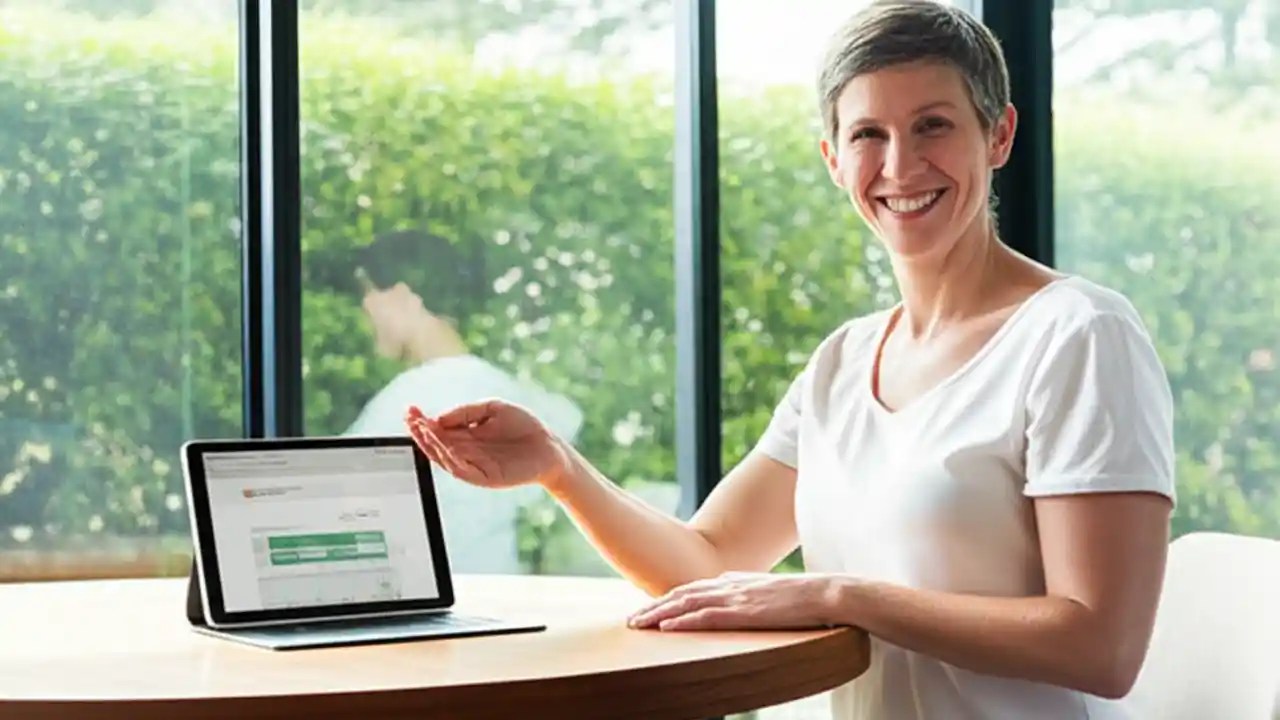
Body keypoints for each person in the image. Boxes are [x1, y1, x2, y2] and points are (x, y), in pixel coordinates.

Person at [403, 2, 1175, 718]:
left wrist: (839, 594)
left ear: (998, 136)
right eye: (868, 134)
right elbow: (708, 564)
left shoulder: (1078, 335)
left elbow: (1099, 645)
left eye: (933, 126)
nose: (900, 165)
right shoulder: (845, 360)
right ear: (833, 158)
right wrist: (557, 467)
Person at [341, 229, 583, 575]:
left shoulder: (410, 402)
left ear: (401, 295)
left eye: (368, 295)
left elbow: (333, 507)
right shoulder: (506, 392)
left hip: (435, 604)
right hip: (505, 594)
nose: (365, 311)